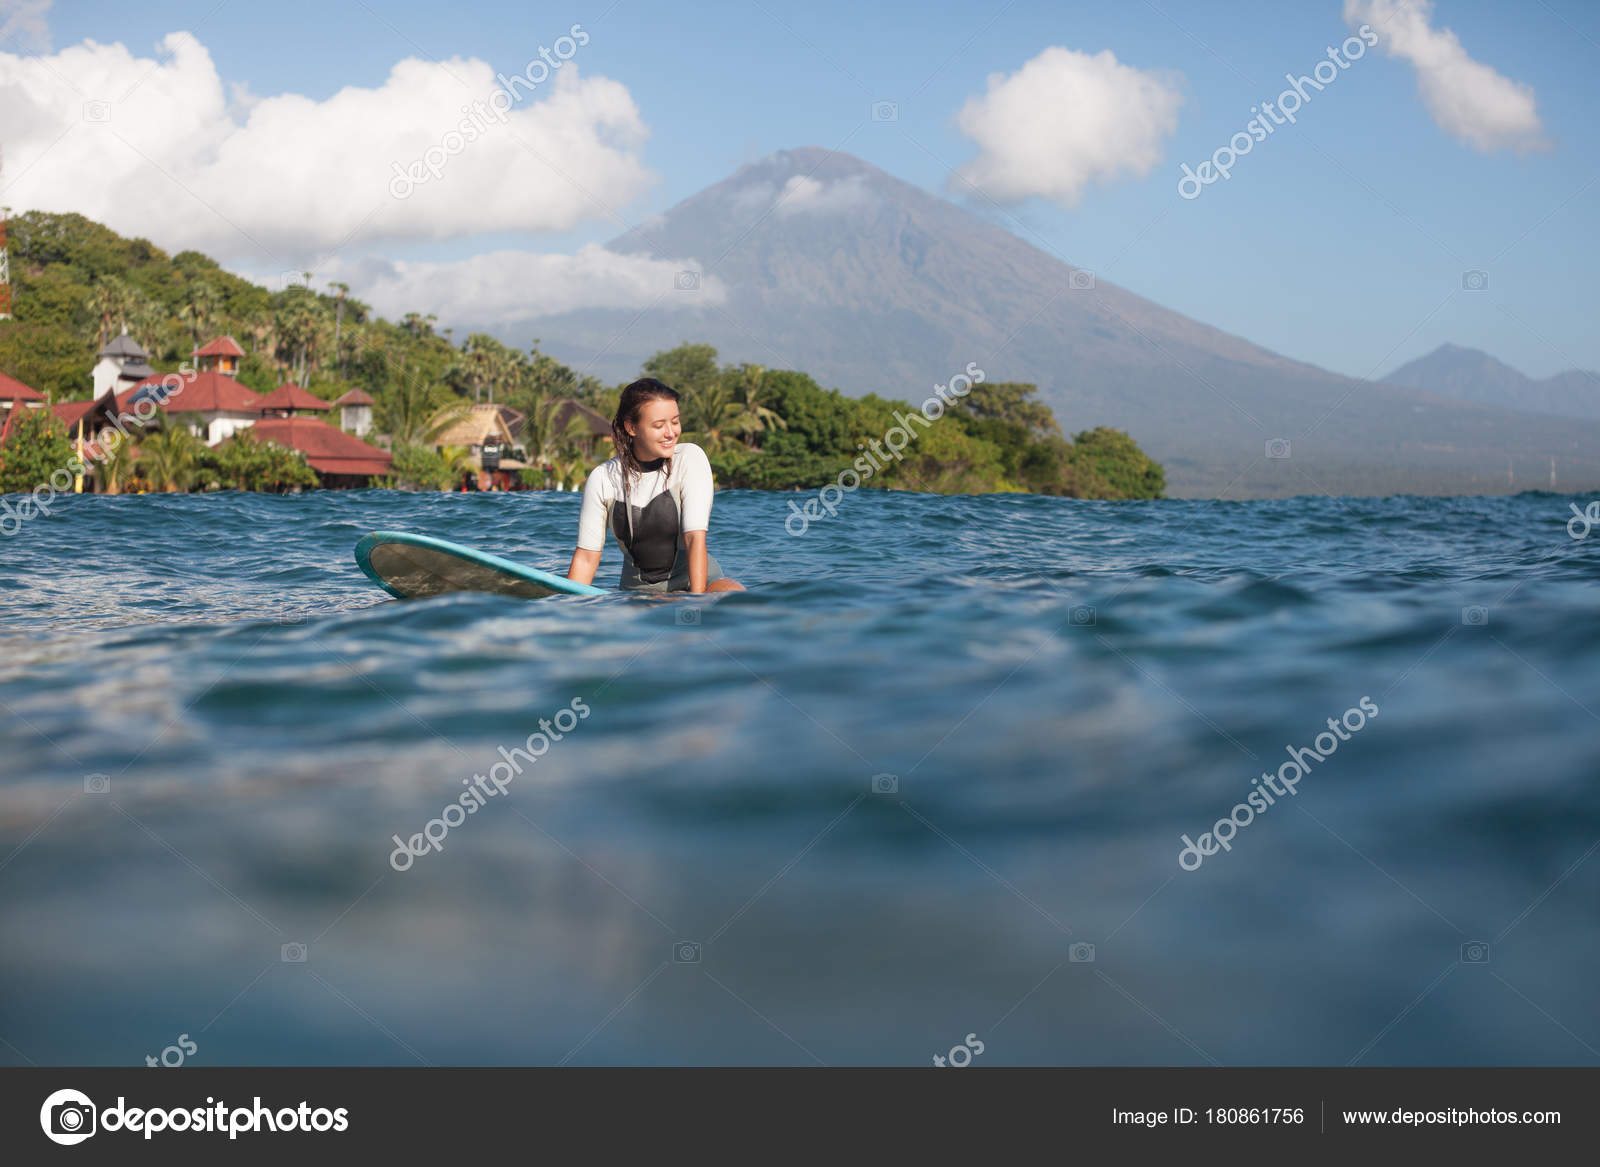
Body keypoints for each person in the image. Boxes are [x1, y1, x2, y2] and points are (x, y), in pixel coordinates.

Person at [567, 378, 743, 594]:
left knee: (733, 593)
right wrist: (566, 609)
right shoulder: (603, 478)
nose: (670, 433)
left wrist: (697, 603)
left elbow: (694, 538)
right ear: (631, 427)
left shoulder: (689, 458)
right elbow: (586, 558)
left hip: (700, 583)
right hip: (638, 595)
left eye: (675, 422)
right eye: (659, 425)